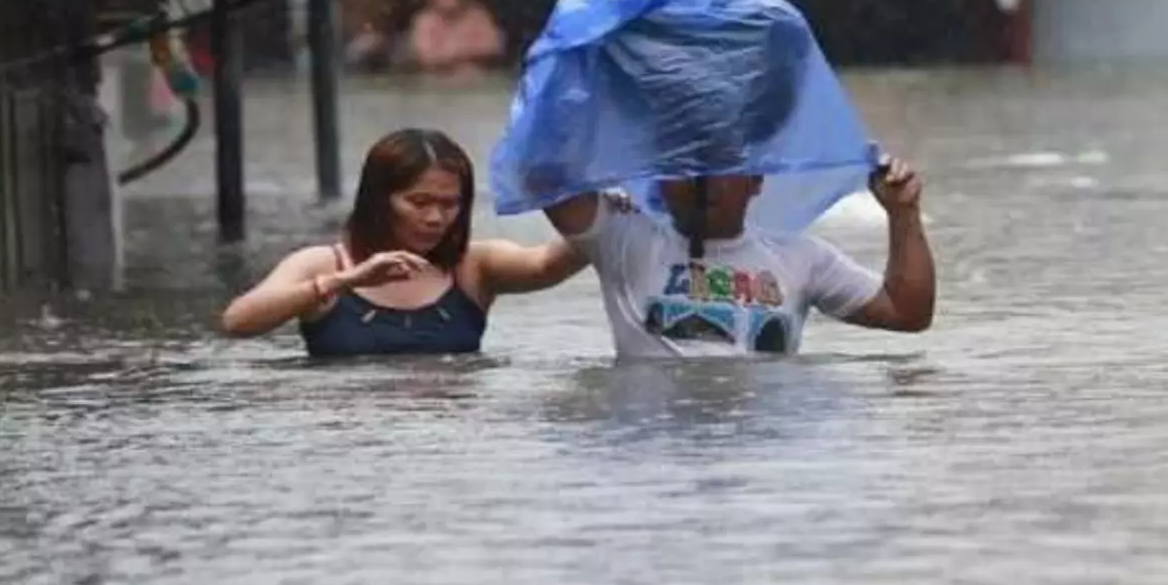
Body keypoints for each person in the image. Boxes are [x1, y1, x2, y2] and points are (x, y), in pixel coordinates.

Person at [219, 129, 604, 357]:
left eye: (450, 204)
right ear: (379, 199)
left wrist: (609, 208)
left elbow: (550, 263)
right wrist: (345, 281)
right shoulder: (324, 265)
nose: (436, 218)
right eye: (419, 203)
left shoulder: (474, 267)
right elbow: (237, 321)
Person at [541, 157, 935, 358]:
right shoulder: (622, 235)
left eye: (723, 168)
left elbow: (907, 312)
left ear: (756, 180)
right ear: (658, 179)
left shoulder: (801, 257)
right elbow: (539, 174)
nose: (704, 182)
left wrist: (902, 214)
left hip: (759, 456)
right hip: (656, 454)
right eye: (685, 167)